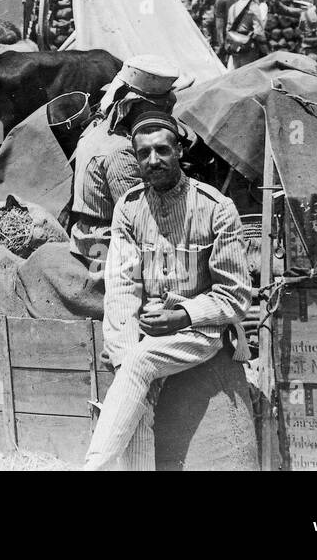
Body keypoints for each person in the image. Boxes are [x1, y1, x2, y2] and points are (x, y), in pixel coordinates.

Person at [83, 109, 250, 471]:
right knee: (134, 383)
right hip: (146, 330)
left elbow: (235, 297)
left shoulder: (216, 209)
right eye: (143, 153)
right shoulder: (128, 209)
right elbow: (122, 288)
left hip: (199, 328)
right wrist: (123, 345)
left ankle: (90, 467)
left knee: (138, 365)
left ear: (179, 152)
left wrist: (183, 315)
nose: (153, 160)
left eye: (162, 150)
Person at [69, 55, 183, 263]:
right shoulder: (121, 151)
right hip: (103, 244)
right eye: (160, 109)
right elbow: (140, 220)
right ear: (136, 106)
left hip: (90, 233)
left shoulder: (99, 126)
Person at [222, 0, 268, 70]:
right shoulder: (254, 7)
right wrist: (265, 50)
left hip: (234, 47)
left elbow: (228, 28)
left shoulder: (233, 7)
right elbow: (258, 33)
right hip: (248, 49)